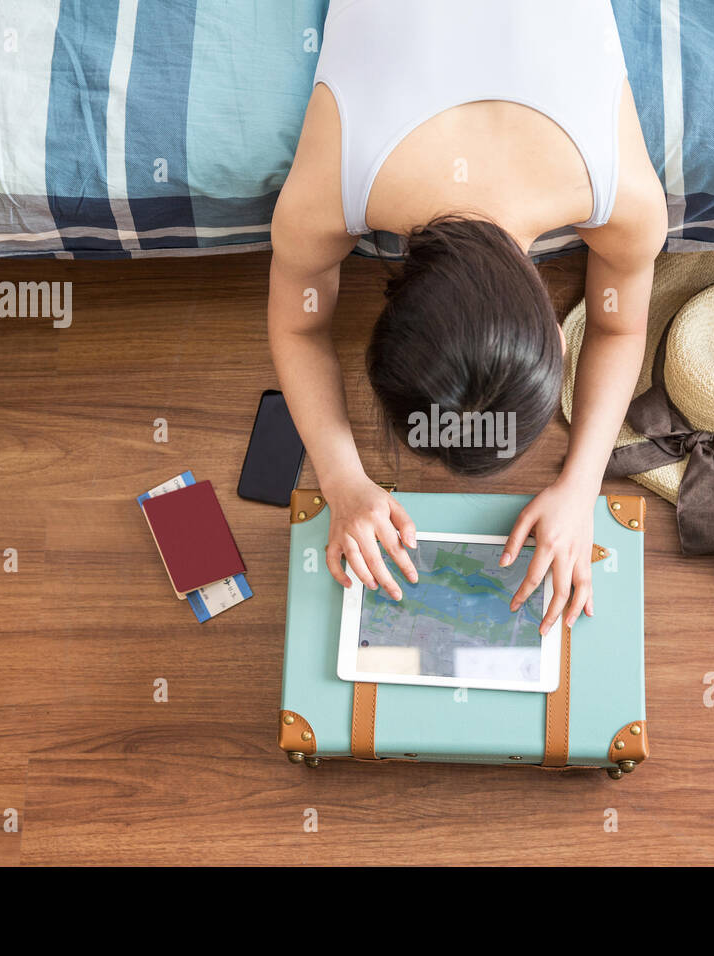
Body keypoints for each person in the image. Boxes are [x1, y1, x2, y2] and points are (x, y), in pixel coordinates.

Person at [267, 0, 667, 635]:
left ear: (558, 334)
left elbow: (618, 326)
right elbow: (298, 326)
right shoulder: (326, 197)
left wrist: (584, 485)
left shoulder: (620, 195)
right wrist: (340, 480)